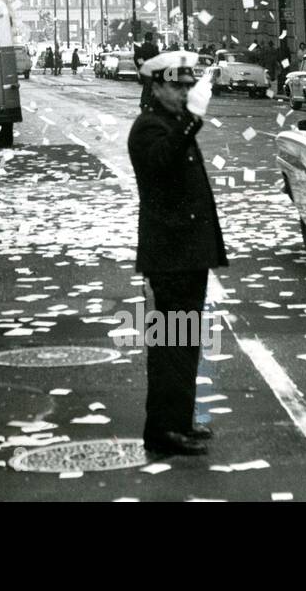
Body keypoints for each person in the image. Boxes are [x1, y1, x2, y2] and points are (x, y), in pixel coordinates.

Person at [129, 51, 227, 457]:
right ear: (156, 86)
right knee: (171, 344)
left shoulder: (170, 124)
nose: (185, 93)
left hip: (186, 254)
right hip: (171, 256)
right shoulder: (149, 127)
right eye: (177, 86)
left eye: (189, 86)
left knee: (184, 343)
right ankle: (164, 430)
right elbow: (161, 165)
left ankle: (178, 421)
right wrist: (191, 120)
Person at [135, 31, 161, 110]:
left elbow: (137, 59)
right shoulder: (154, 48)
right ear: (151, 38)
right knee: (151, 85)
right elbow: (158, 59)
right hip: (152, 70)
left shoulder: (140, 48)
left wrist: (141, 66)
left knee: (146, 85)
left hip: (144, 70)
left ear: (145, 38)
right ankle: (149, 101)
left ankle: (144, 101)